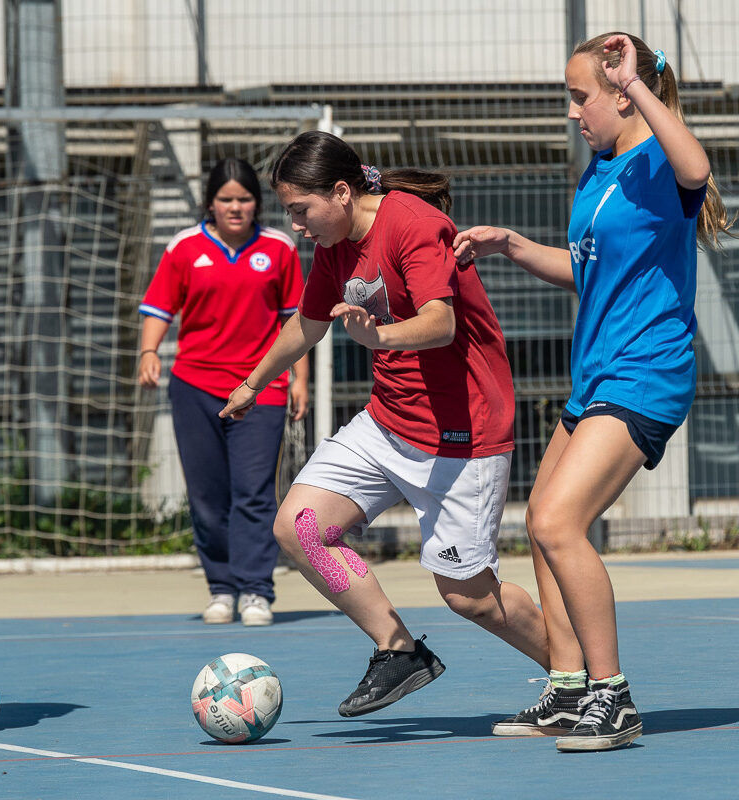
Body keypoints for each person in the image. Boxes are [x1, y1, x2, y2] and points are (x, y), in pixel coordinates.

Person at [454, 33, 733, 752]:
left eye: (582, 97)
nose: (574, 112)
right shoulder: (600, 172)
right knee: (539, 530)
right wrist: (511, 244)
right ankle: (570, 686)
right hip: (600, 374)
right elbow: (587, 268)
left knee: (555, 522)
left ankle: (614, 696)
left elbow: (698, 166)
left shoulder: (656, 166)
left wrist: (638, 85)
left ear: (621, 92)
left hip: (647, 373)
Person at [220, 130, 551, 717]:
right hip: (388, 420)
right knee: (300, 526)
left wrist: (379, 337)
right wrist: (252, 383)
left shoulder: (412, 225)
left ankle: (579, 674)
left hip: (462, 434)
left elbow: (439, 324)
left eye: (301, 210)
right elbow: (309, 321)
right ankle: (397, 648)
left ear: (341, 192)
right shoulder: (335, 242)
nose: (295, 224)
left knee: (470, 599)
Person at [138, 158, 309, 627]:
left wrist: (300, 378)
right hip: (195, 387)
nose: (236, 208)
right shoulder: (184, 247)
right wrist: (148, 352)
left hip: (261, 388)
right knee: (208, 496)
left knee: (253, 493)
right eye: (226, 199)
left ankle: (256, 589)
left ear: (258, 202)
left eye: (245, 198)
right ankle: (221, 588)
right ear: (210, 203)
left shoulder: (279, 247)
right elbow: (158, 307)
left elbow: (296, 320)